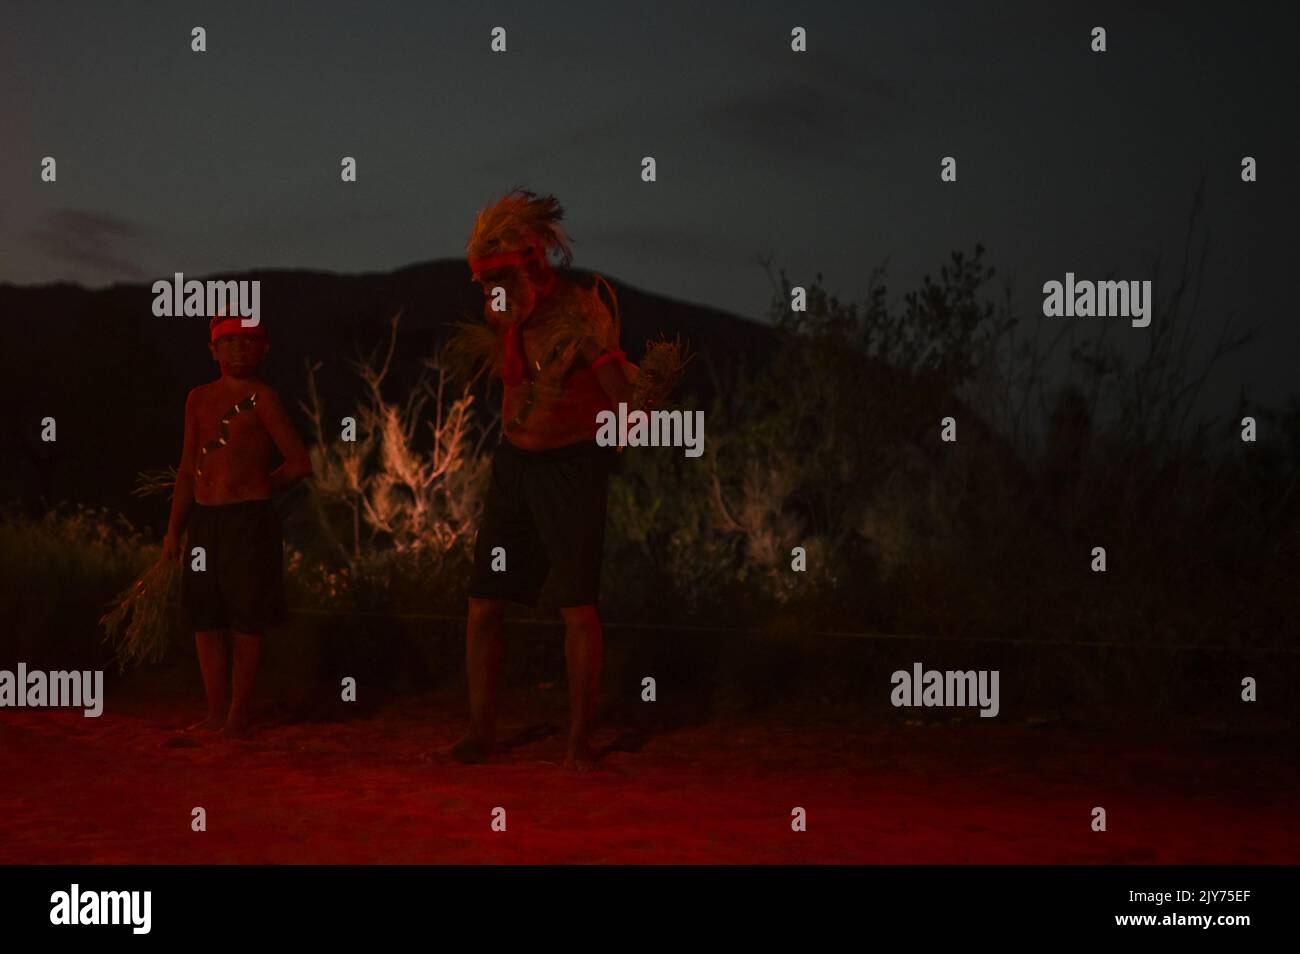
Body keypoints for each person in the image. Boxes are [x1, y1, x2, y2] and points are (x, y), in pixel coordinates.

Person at [444, 189, 636, 771]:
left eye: (494, 278)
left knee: (576, 608)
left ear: (531, 263)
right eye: (481, 282)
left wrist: (637, 407)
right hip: (515, 466)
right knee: (484, 603)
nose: (486, 293)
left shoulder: (584, 312)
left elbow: (621, 400)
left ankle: (578, 744)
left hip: (572, 469)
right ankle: (481, 733)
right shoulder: (501, 307)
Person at [161, 313, 313, 738]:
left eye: (248, 342)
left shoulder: (264, 398)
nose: (238, 350)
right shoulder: (197, 399)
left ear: (264, 350)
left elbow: (299, 462)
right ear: (212, 350)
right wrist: (175, 529)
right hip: (204, 522)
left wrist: (264, 482)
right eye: (228, 343)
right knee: (205, 617)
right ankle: (214, 713)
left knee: (247, 618)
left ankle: (238, 716)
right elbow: (188, 467)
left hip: (249, 522)